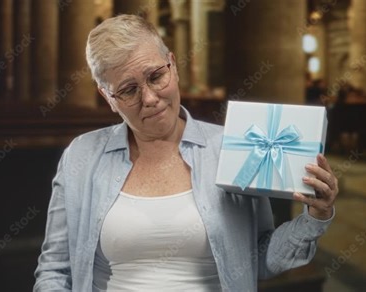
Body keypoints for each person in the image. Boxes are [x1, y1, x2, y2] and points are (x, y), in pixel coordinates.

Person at [34, 14, 338, 291]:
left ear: (173, 64)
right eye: (128, 90)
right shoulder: (83, 156)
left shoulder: (229, 149)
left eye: (155, 76)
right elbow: (54, 269)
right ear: (107, 97)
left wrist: (315, 216)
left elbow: (259, 259)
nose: (150, 98)